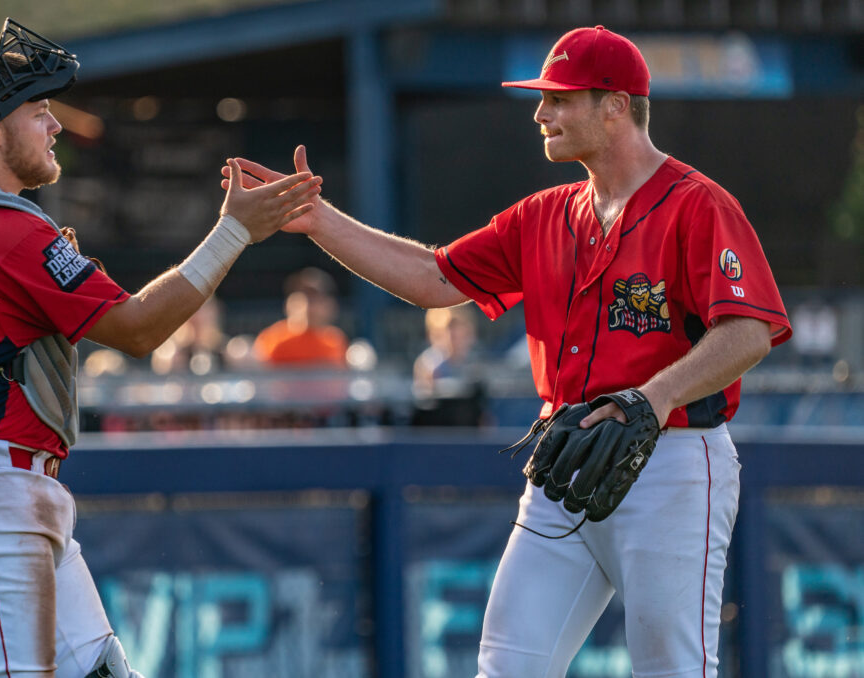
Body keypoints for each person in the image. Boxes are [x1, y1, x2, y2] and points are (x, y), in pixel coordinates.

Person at [224, 25, 791, 677]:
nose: (541, 112)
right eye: (542, 98)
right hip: (566, 460)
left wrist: (653, 396)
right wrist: (319, 220)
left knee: (672, 668)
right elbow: (433, 278)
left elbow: (748, 331)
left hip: (671, 459)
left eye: (559, 98)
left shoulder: (697, 205)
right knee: (508, 665)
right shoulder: (545, 214)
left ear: (615, 107)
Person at [0, 12, 319, 678]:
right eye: (39, 109)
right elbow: (140, 329)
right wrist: (234, 232)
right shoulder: (5, 231)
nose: (56, 124)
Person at [252, 266, 349, 368]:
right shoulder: (271, 340)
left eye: (315, 299)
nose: (308, 306)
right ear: (288, 303)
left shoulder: (335, 341)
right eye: (304, 297)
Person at [411, 306, 487, 427]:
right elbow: (424, 403)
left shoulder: (475, 365)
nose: (453, 336)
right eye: (448, 330)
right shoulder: (427, 364)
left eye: (459, 331)